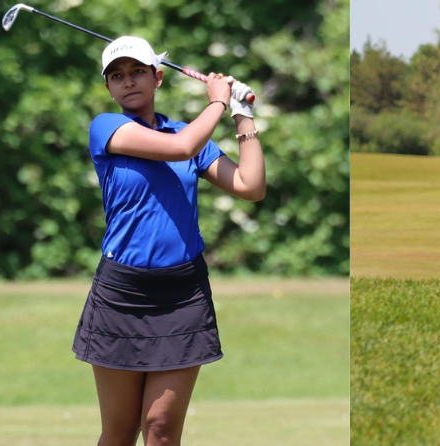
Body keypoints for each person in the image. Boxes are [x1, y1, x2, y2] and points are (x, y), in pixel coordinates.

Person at [71, 36, 265, 445]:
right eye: (117, 76)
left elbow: (251, 186)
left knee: (160, 429)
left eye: (138, 72)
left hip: (182, 295)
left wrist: (242, 114)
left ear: (158, 78)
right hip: (121, 292)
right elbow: (180, 148)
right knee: (120, 433)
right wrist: (217, 100)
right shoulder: (107, 127)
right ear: (108, 87)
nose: (128, 82)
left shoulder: (188, 134)